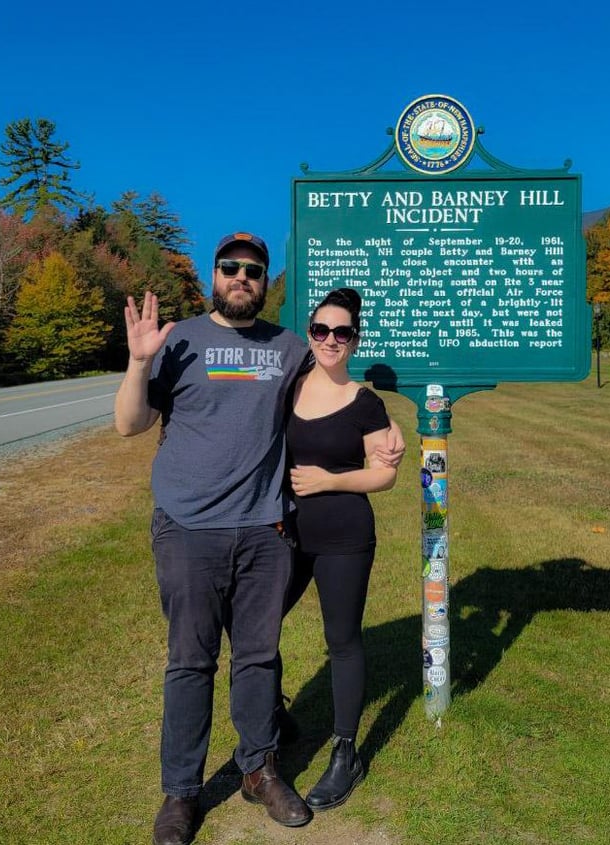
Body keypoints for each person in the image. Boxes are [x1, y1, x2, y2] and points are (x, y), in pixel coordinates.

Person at [115, 235, 403, 845]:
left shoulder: (289, 346)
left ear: (265, 280)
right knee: (191, 661)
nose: (241, 277)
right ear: (213, 276)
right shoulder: (181, 339)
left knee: (258, 658)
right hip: (189, 528)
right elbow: (129, 425)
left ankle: (259, 769)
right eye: (230, 268)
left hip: (265, 529)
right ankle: (181, 793)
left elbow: (335, 386)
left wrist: (385, 425)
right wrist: (140, 362)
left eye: (253, 269)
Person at [282, 288, 398, 811]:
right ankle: (273, 720)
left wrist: (331, 481)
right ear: (311, 334)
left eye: (343, 332)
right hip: (283, 533)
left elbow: (385, 474)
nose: (331, 340)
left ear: (355, 339)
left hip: (344, 535)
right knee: (252, 627)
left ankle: (345, 752)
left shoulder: (364, 401)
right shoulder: (287, 387)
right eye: (322, 330)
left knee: (342, 640)